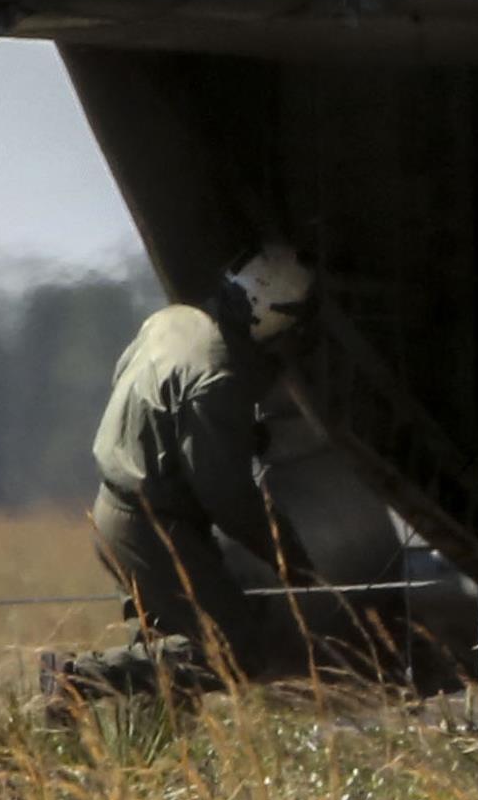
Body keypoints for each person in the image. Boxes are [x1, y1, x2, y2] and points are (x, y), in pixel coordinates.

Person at [79, 246, 329, 688]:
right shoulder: (217, 376)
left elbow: (146, 393)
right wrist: (287, 555)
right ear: (273, 316)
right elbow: (225, 494)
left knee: (161, 659)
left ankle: (146, 751)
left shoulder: (171, 322)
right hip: (153, 528)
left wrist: (233, 433)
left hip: (112, 509)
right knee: (233, 651)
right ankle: (76, 678)